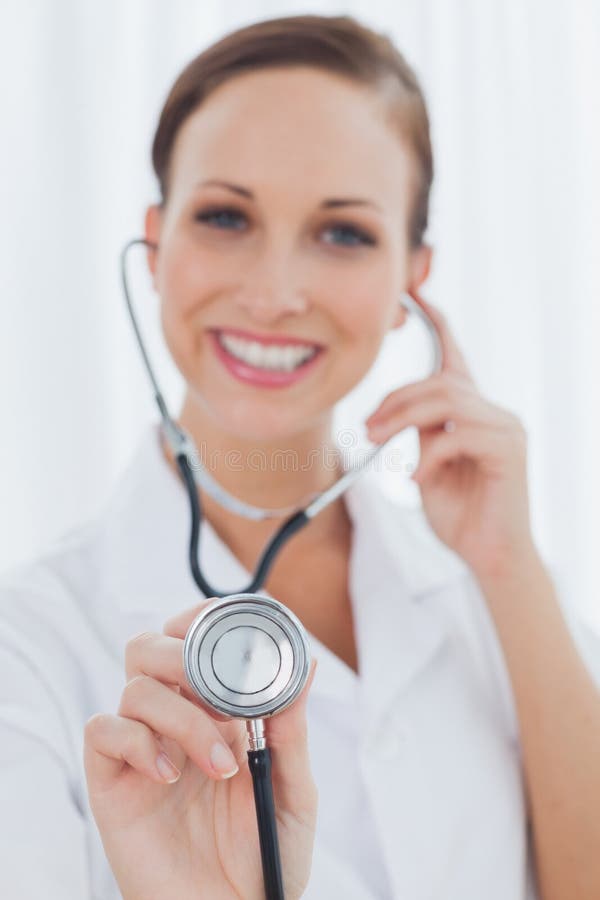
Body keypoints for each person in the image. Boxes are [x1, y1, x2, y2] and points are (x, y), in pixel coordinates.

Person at [1, 13, 599, 900]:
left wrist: (510, 571)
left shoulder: (495, 593)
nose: (274, 293)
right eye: (225, 216)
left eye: (344, 233)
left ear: (412, 282)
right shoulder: (32, 647)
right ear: (156, 246)